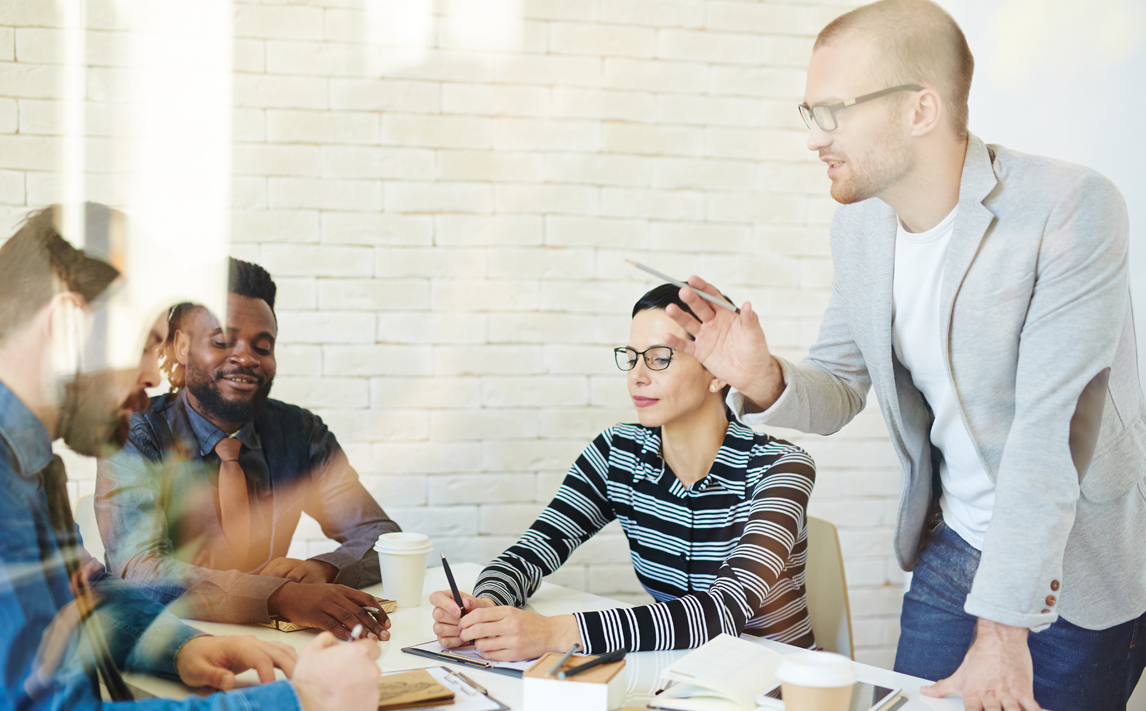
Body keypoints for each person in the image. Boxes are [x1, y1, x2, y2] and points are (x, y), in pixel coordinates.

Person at [661, 1, 1146, 709]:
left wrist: (1003, 628)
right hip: (953, 548)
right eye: (810, 113)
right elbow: (840, 384)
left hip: (1074, 561)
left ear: (921, 109)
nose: (814, 138)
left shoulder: (1070, 207)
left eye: (833, 111)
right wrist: (762, 377)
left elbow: (1054, 427)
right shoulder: (860, 227)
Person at [0, 203, 381, 711]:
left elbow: (87, 591)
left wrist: (183, 648)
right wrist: (301, 699)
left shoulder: (17, 458)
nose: (154, 376)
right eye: (144, 345)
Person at [428, 284, 817, 660]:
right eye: (631, 358)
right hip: (677, 673)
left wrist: (555, 633)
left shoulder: (781, 468)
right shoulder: (618, 453)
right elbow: (531, 553)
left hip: (781, 682)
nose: (637, 376)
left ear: (718, 372)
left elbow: (722, 612)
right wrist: (486, 608)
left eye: (660, 359)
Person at [96, 258, 400, 641]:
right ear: (182, 346)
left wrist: (325, 568)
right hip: (175, 644)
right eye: (223, 341)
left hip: (279, 643)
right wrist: (278, 595)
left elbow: (381, 535)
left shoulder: (302, 432)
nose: (246, 358)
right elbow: (137, 568)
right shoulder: (135, 431)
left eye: (263, 346)